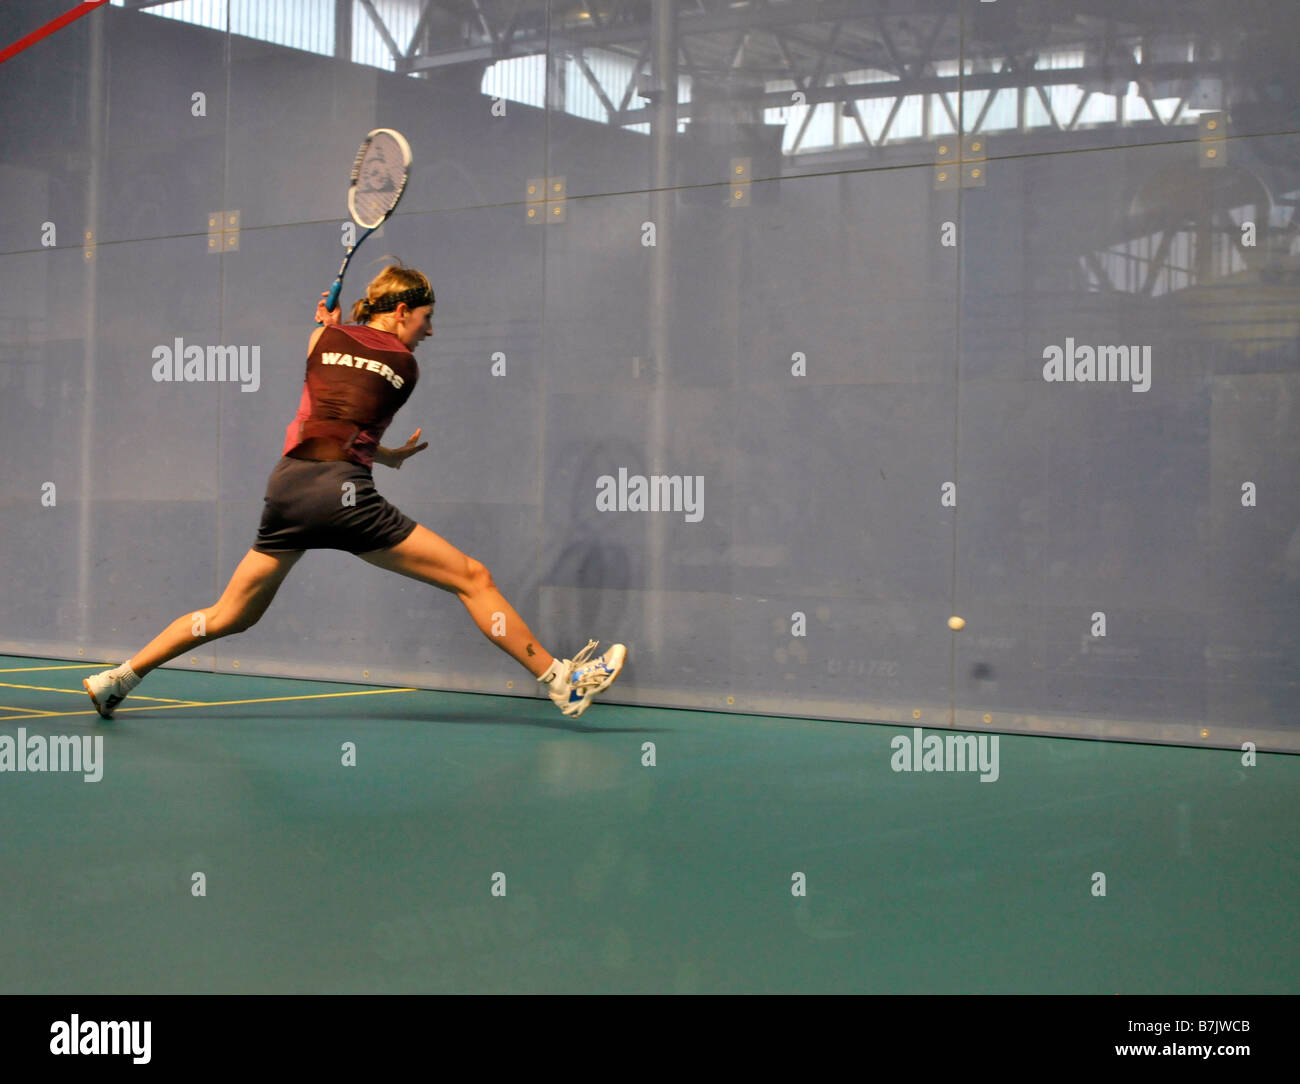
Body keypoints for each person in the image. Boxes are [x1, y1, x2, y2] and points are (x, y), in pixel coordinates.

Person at [83, 263, 625, 721]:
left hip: (289, 488)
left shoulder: (321, 338)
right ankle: (561, 681)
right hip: (344, 497)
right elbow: (357, 428)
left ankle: (119, 678)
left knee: (229, 614)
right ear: (400, 312)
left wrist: (329, 327)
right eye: (426, 319)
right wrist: (384, 456)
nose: (429, 332)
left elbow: (332, 417)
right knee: (472, 578)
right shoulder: (406, 366)